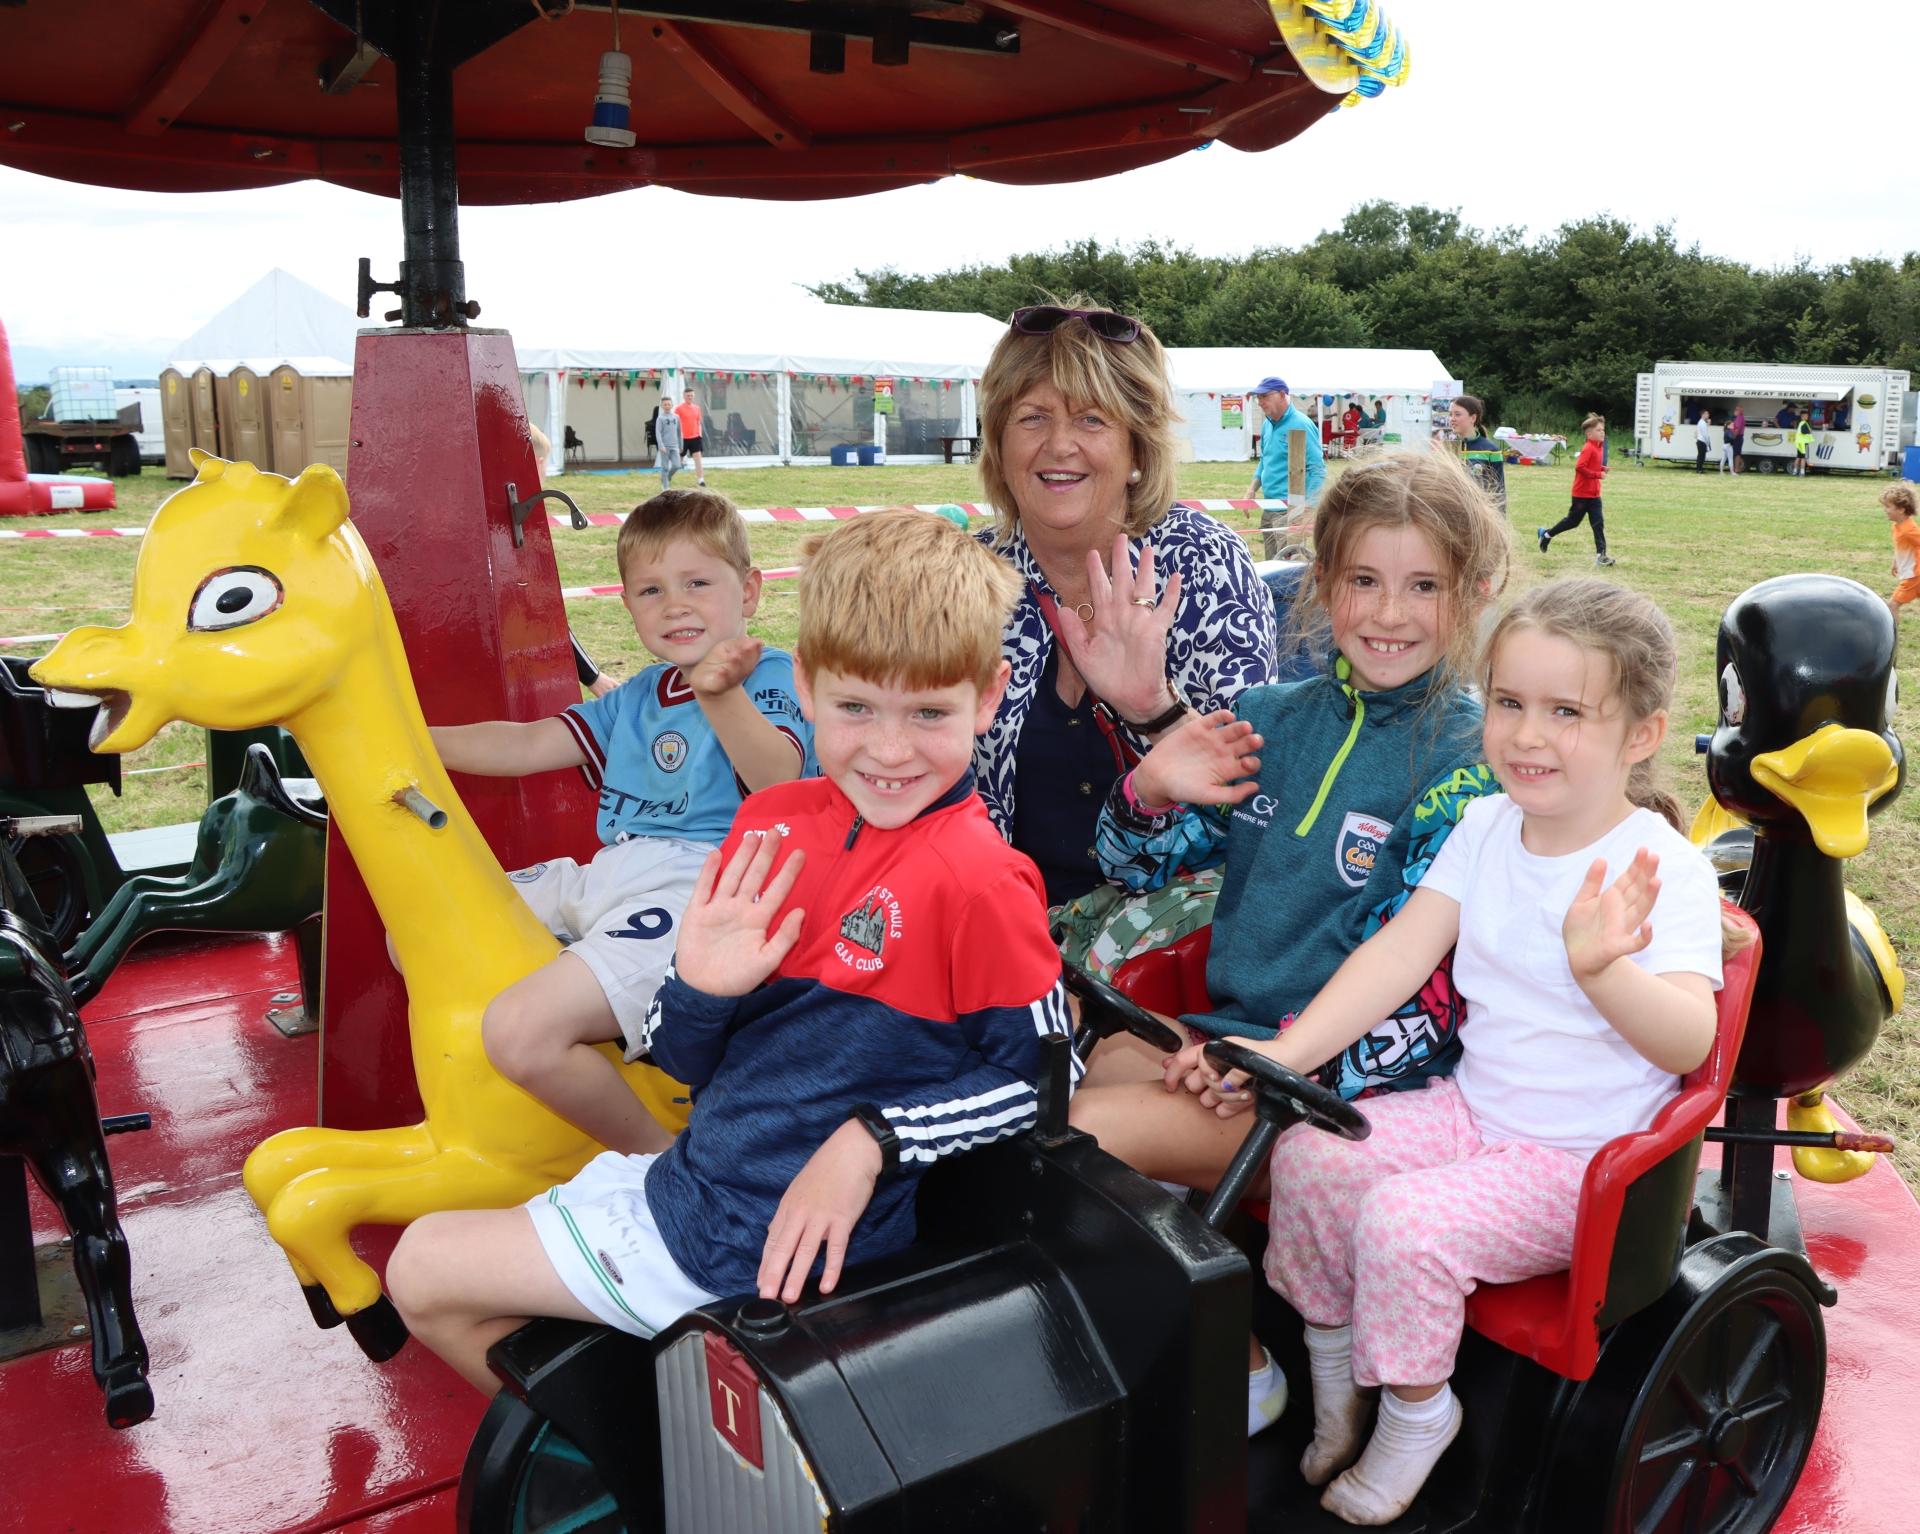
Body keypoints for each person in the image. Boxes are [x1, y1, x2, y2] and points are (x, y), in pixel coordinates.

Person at [386, 509, 1070, 1393]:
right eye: (857, 707)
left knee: (423, 1270)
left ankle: (647, 1473)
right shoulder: (769, 824)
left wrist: (870, 1140)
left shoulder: (982, 880)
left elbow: (1047, 1079)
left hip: (772, 1246)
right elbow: (685, 1054)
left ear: (987, 698)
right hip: (705, 1180)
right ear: (811, 687)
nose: (890, 749)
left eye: (929, 712)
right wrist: (702, 989)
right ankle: (663, 1442)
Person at [1173, 578, 1725, 1524]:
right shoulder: (1485, 826)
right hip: (1477, 1112)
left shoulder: (1660, 867)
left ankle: (1419, 1413)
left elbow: (1693, 1039)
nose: (1526, 735)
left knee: (1403, 1224)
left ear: (1641, 734)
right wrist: (1291, 1051)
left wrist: (1601, 972)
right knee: (1312, 1159)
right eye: (1509, 702)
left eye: (1566, 712)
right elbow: (1399, 951)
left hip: (1580, 1164)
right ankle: (1333, 1364)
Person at [1067, 450, 1510, 1436]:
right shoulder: (1265, 721)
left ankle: (1245, 1368)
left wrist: (1272, 1066)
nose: (1387, 613)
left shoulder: (1472, 763)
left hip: (1340, 1093)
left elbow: (1422, 985)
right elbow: (1135, 866)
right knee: (1059, 1093)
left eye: (1422, 585)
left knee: (1081, 1144)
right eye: (1363, 580)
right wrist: (1148, 787)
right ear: (1322, 583)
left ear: (1473, 594)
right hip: (1218, 1038)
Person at [426, 489, 812, 1156]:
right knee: (425, 929)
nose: (676, 604)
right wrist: (408, 737)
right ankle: (583, 1063)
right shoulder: (636, 697)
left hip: (704, 885)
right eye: (651, 590)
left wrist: (719, 693)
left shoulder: (771, 674)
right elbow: (524, 746)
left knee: (521, 1033)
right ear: (627, 603)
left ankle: (656, 1161)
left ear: (748, 591)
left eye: (698, 582)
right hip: (612, 873)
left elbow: (778, 777)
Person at [971, 302, 1278, 975]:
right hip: (994, 929)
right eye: (1032, 417)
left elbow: (1256, 792)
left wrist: (1152, 707)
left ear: (1137, 447)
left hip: (1174, 935)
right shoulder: (965, 582)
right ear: (999, 442)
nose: (1059, 445)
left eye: (1091, 419)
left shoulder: (1200, 563)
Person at [1248, 376, 1328, 556]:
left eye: (1265, 396)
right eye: (1258, 397)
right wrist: (1252, 488)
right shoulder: (1267, 425)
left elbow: (1317, 469)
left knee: (1287, 570)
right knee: (1270, 566)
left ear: (1282, 395)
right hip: (1269, 508)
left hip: (1290, 512)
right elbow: (1265, 460)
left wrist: (1307, 509)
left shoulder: (1301, 424)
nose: (1260, 402)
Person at [1537, 414, 1613, 567]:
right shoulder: (1588, 448)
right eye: (1599, 430)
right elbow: (1580, 467)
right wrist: (1598, 474)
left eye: (1603, 430)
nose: (1602, 433)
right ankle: (1546, 534)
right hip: (1581, 494)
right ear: (1589, 434)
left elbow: (1591, 466)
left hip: (1594, 494)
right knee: (1572, 522)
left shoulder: (1599, 447)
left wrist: (1602, 468)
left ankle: (1601, 556)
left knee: (1598, 523)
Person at [1447, 393, 1506, 512]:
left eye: (1457, 414)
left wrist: (1499, 520)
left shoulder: (1491, 450)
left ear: (1473, 418)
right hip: (1451, 514)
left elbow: (1498, 490)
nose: (1452, 418)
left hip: (1479, 515)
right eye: (1450, 414)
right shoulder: (1447, 448)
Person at [1883, 482, 1920, 621]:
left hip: (1914, 576)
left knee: (1892, 605)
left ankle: (1893, 637)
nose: (1885, 510)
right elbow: (1901, 546)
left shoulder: (1909, 530)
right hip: (1914, 574)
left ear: (1901, 510)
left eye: (1888, 506)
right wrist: (1895, 561)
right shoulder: (1897, 526)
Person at [676, 388, 707, 487]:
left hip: (695, 437)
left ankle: (701, 480)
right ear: (684, 396)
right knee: (678, 461)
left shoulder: (697, 408)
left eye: (691, 395)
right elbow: (675, 424)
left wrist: (700, 435)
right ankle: (669, 477)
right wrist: (677, 438)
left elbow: (699, 423)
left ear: (694, 396)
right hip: (683, 438)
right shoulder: (679, 409)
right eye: (688, 395)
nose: (690, 397)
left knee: (697, 459)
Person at [654, 394, 683, 489]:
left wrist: (681, 444)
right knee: (665, 467)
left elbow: (679, 432)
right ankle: (665, 487)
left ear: (672, 405)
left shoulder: (676, 417)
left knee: (677, 465)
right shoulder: (660, 418)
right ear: (662, 406)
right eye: (665, 404)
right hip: (664, 447)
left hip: (675, 446)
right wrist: (661, 445)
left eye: (668, 404)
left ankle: (667, 477)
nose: (667, 406)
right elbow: (658, 433)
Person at [1793, 411, 1813, 477]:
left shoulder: (1800, 423)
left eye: (1807, 416)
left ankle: (1795, 471)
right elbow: (1806, 432)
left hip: (1799, 443)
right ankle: (1802, 472)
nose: (1807, 417)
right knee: (1803, 458)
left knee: (1798, 457)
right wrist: (1810, 431)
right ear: (1802, 416)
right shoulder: (1804, 423)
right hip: (1803, 443)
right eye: (1806, 416)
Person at [1694, 408, 1713, 473]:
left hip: (1700, 441)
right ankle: (1699, 469)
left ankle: (1699, 469)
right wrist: (1708, 442)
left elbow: (1704, 430)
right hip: (1702, 441)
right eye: (1707, 414)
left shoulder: (1702, 422)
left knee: (1701, 456)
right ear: (1703, 415)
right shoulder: (1702, 423)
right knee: (1701, 456)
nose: (1708, 415)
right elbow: (1705, 434)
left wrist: (1708, 424)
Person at [1728, 405, 1746, 474]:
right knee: (1736, 453)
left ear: (1741, 411)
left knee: (1737, 454)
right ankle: (1738, 467)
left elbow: (1737, 429)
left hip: (1738, 437)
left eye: (1737, 409)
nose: (1735, 410)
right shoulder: (1739, 417)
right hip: (1738, 437)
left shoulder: (1739, 418)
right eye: (1735, 409)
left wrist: (1733, 437)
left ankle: (1737, 468)